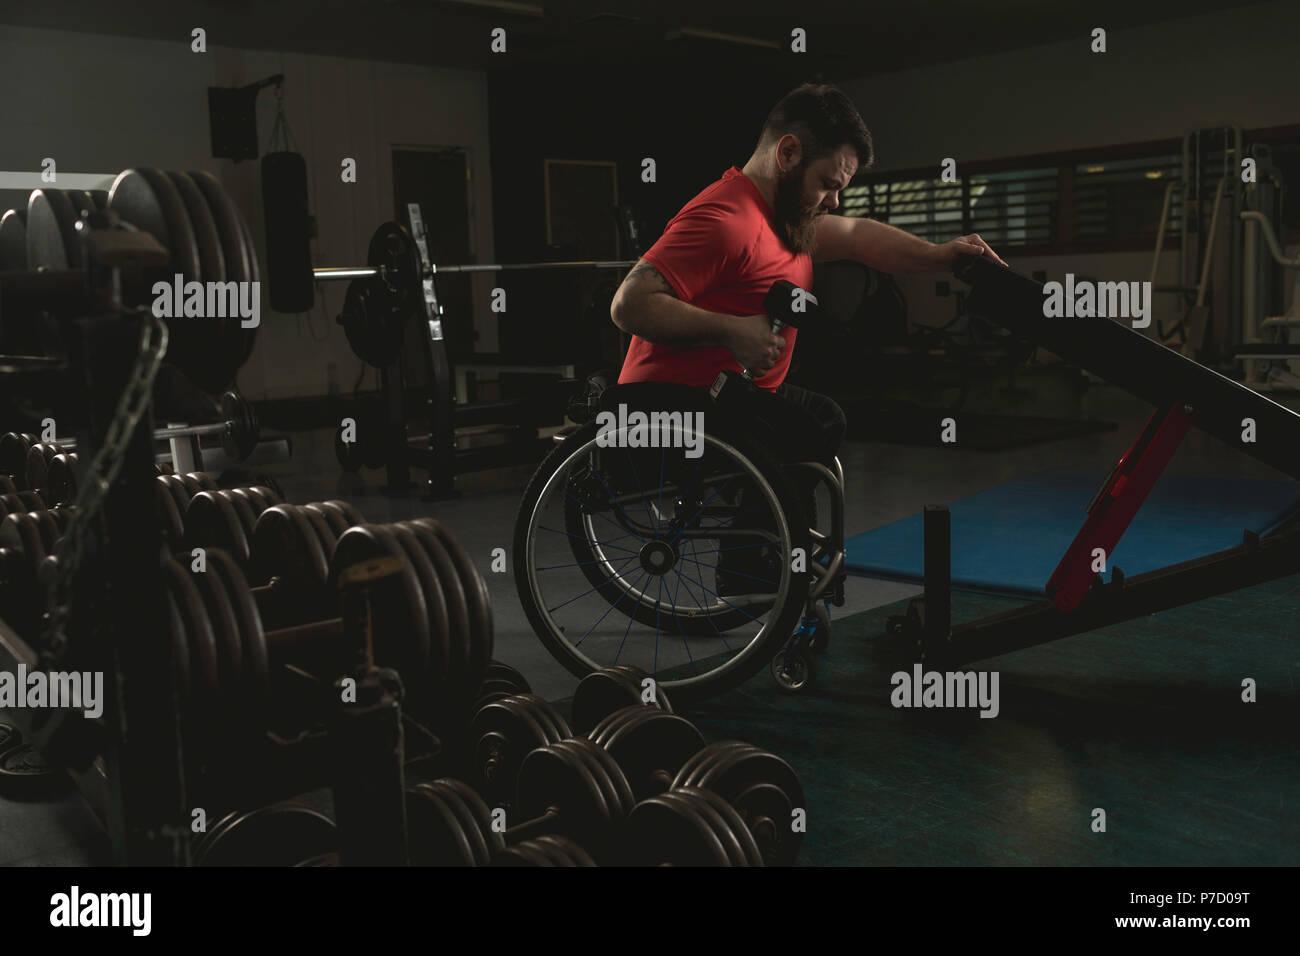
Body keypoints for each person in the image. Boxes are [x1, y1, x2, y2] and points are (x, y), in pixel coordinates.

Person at [609, 82, 1005, 595]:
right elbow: (629, 304)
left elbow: (857, 236)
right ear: (788, 153)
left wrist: (939, 256)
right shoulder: (726, 219)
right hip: (677, 404)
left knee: (816, 419)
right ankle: (753, 561)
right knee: (807, 425)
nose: (834, 198)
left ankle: (774, 553)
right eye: (827, 182)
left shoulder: (784, 218)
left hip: (733, 397)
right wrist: (730, 329)